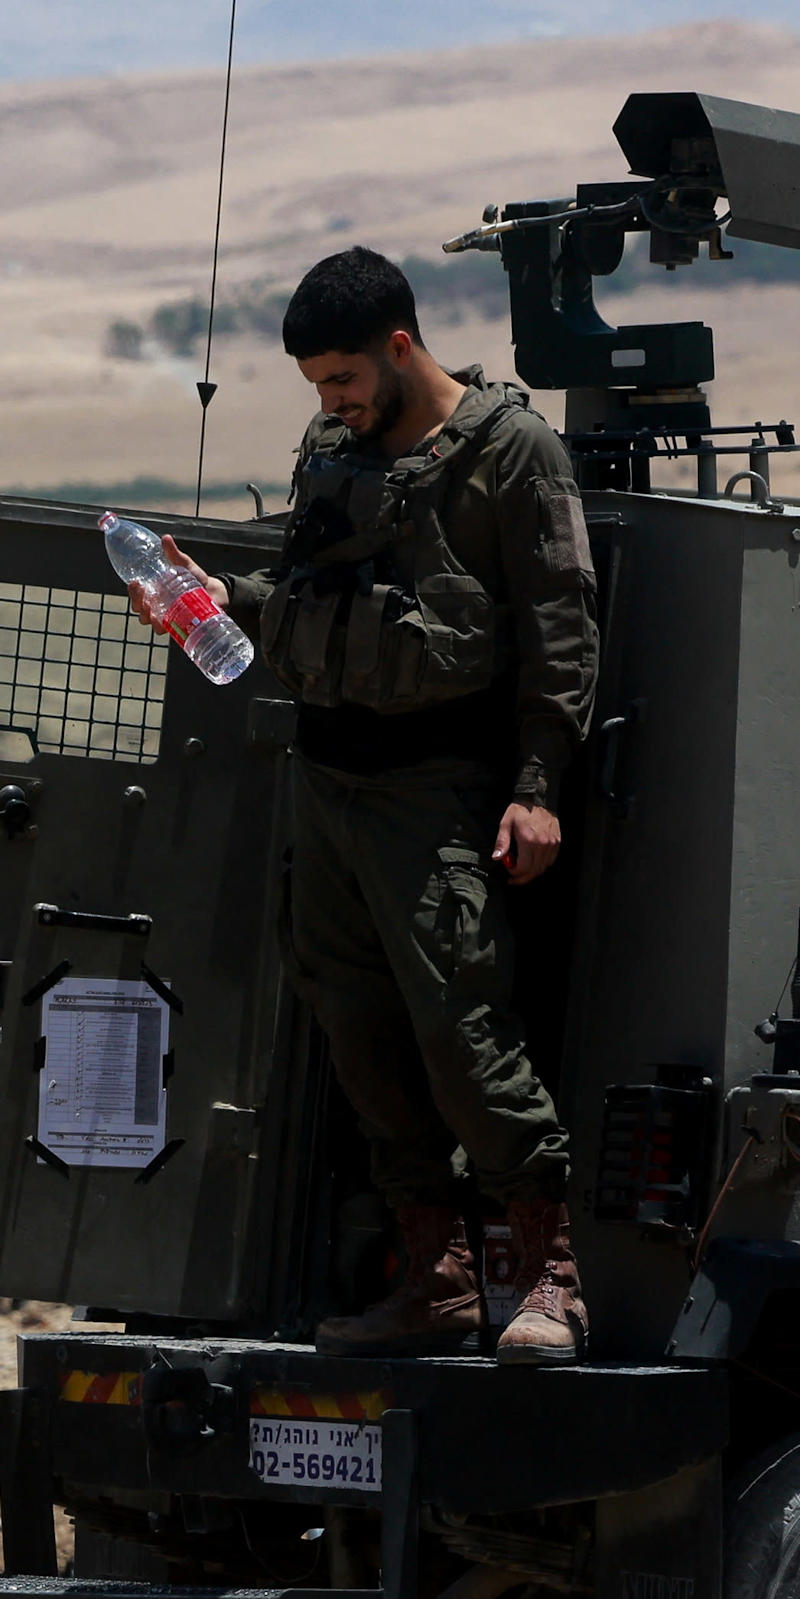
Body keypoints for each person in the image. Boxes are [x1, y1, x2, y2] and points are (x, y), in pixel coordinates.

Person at [210, 246, 599, 1359]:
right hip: (328, 782)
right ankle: (433, 1278)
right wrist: (216, 599)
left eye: (341, 379)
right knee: (361, 1035)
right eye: (316, 388)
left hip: (437, 787)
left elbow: (561, 632)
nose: (329, 404)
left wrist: (538, 789)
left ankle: (547, 1276)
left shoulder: (511, 453)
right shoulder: (335, 448)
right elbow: (307, 592)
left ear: (399, 345)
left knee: (460, 1029)